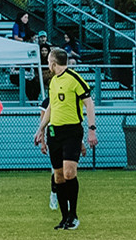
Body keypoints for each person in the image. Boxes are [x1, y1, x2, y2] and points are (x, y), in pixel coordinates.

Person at [34, 48, 95, 230]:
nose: (47, 64)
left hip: (72, 132)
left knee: (69, 173)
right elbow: (51, 108)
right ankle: (64, 218)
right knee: (58, 176)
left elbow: (89, 103)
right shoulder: (53, 82)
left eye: (48, 61)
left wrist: (91, 129)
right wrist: (41, 129)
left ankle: (74, 216)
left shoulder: (74, 79)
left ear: (53, 63)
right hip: (55, 132)